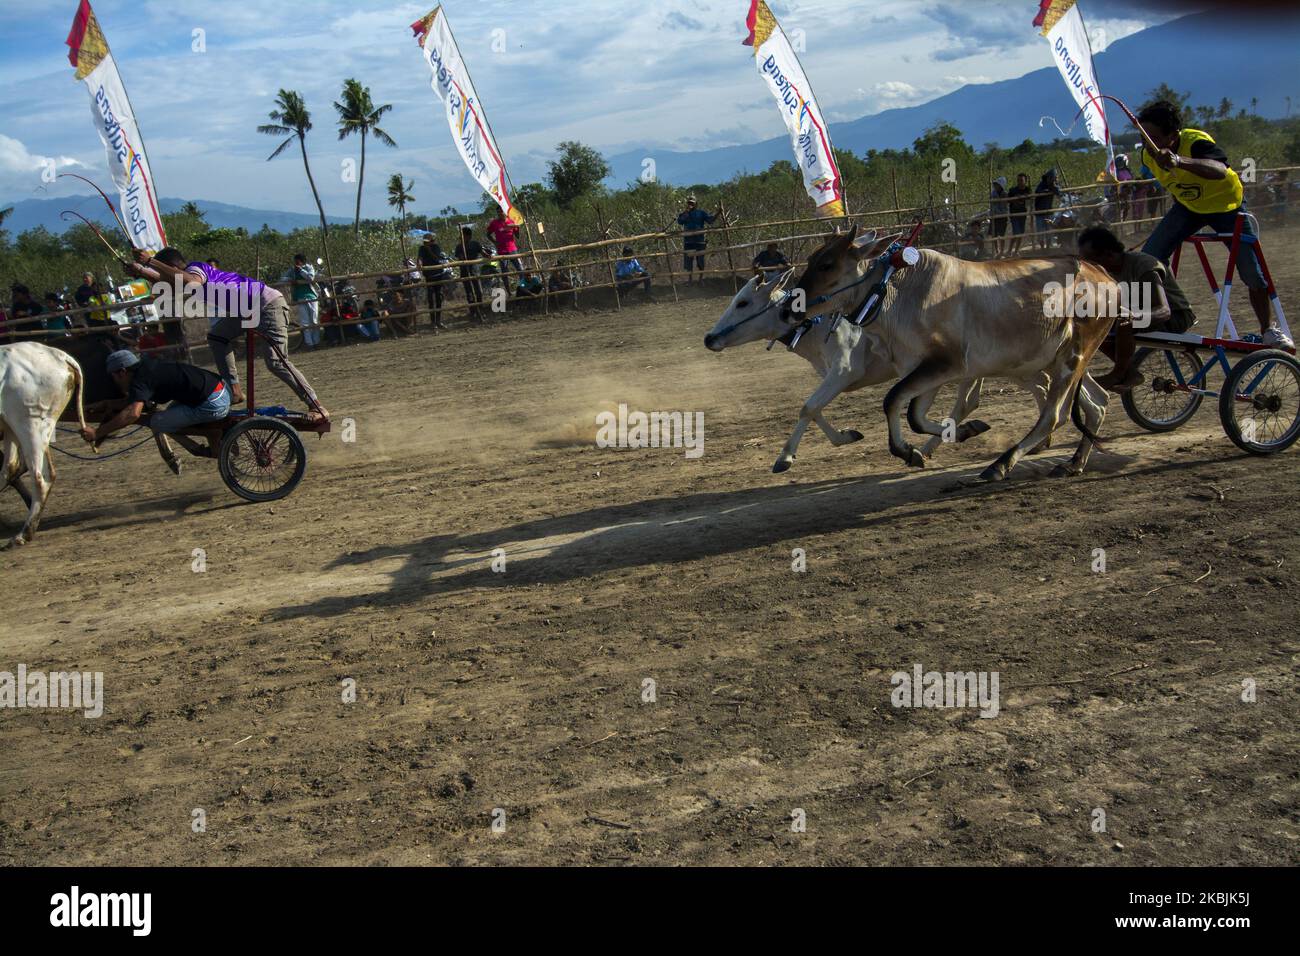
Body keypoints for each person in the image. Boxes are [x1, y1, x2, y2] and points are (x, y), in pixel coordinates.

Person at [1136, 99, 1291, 348]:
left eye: (1153, 137)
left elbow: (1219, 169)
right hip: (1189, 208)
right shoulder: (1146, 156)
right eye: (1143, 136)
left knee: (1251, 272)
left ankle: (1268, 330)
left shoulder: (1195, 142)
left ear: (1173, 136)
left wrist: (1179, 160)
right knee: (1148, 258)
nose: (1147, 143)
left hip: (1226, 208)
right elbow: (1174, 185)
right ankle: (1178, 314)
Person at [127, 247, 328, 421]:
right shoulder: (185, 277)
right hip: (246, 310)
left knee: (276, 361)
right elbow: (169, 282)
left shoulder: (195, 269)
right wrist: (142, 271)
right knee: (217, 338)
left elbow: (190, 283)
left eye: (164, 268)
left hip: (267, 304)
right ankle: (234, 390)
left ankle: (317, 406)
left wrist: (150, 261)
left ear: (174, 266)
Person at [1077, 225, 1196, 392]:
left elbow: (1164, 310)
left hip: (1176, 316)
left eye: (1090, 260)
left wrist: (1132, 317)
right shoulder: (1105, 274)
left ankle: (1118, 374)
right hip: (1142, 315)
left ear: (1109, 255)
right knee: (1091, 325)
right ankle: (1131, 372)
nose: (1086, 266)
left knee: (1125, 323)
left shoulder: (1144, 265)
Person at [80, 349, 231, 473]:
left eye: (114, 377)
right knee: (167, 417)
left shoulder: (140, 380)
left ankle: (210, 434)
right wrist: (106, 404)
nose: (115, 382)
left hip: (212, 402)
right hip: (217, 390)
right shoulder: (146, 368)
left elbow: (132, 413)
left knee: (157, 422)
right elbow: (133, 402)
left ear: (122, 372)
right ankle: (207, 441)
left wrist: (97, 433)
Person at [677, 196, 718, 283]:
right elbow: (680, 221)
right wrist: (686, 212)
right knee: (688, 261)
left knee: (700, 261)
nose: (690, 205)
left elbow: (710, 220)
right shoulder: (684, 213)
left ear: (696, 204)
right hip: (688, 241)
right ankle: (690, 280)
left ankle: (700, 279)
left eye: (692, 203)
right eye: (689, 203)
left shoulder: (701, 213)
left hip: (699, 241)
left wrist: (718, 213)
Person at [417, 233, 451, 329]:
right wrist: (419, 263)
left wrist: (429, 249)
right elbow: (419, 258)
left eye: (427, 242)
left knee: (439, 298)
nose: (425, 243)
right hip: (429, 276)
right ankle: (433, 322)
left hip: (438, 275)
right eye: (424, 242)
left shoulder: (436, 247)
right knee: (431, 299)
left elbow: (437, 258)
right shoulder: (421, 248)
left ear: (432, 241)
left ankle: (438, 320)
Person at [288, 254, 321, 349]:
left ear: (302, 262)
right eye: (295, 262)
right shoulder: (292, 271)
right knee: (305, 322)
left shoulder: (309, 268)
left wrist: (301, 270)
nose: (296, 264)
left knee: (314, 321)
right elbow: (285, 278)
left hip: (311, 297)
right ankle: (310, 344)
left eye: (297, 262)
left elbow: (310, 278)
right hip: (300, 298)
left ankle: (316, 342)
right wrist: (290, 280)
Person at [454, 226, 485, 321]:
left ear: (468, 236)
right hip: (465, 271)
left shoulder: (475, 244)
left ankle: (480, 309)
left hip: (475, 270)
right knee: (470, 293)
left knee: (479, 292)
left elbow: (482, 252)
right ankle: (473, 311)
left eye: (463, 235)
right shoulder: (459, 247)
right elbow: (459, 257)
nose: (461, 237)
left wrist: (487, 255)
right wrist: (462, 257)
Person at [486, 213, 524, 279]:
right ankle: (508, 289)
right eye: (498, 212)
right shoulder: (494, 223)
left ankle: (523, 286)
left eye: (501, 212)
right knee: (504, 271)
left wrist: (517, 227)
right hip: (501, 251)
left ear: (504, 212)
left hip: (512, 249)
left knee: (520, 268)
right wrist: (494, 242)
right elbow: (488, 234)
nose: (500, 214)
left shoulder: (511, 221)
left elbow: (517, 236)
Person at [1033, 169, 1062, 249]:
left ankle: (1048, 247)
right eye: (1052, 178)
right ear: (1048, 178)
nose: (1053, 180)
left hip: (1049, 211)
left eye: (1054, 178)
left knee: (1049, 231)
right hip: (1040, 212)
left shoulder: (1054, 185)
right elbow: (1037, 192)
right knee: (1040, 232)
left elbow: (1059, 193)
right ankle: (1042, 248)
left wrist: (1053, 187)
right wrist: (1047, 191)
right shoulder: (1042, 184)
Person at [1006, 173, 1031, 255]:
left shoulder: (1027, 189)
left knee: (1020, 233)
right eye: (1018, 180)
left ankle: (1015, 250)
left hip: (1023, 214)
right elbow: (1008, 200)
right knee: (1017, 232)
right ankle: (1011, 250)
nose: (1019, 182)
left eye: (1021, 180)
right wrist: (1015, 199)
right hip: (1014, 214)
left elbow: (1030, 197)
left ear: (1025, 181)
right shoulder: (1013, 190)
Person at [989, 177, 1009, 257]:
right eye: (995, 184)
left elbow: (1005, 204)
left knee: (1001, 235)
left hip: (1002, 216)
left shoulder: (1005, 194)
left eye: (997, 185)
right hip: (994, 215)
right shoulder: (993, 193)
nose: (996, 186)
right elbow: (992, 203)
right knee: (994, 234)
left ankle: (1001, 251)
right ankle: (997, 250)